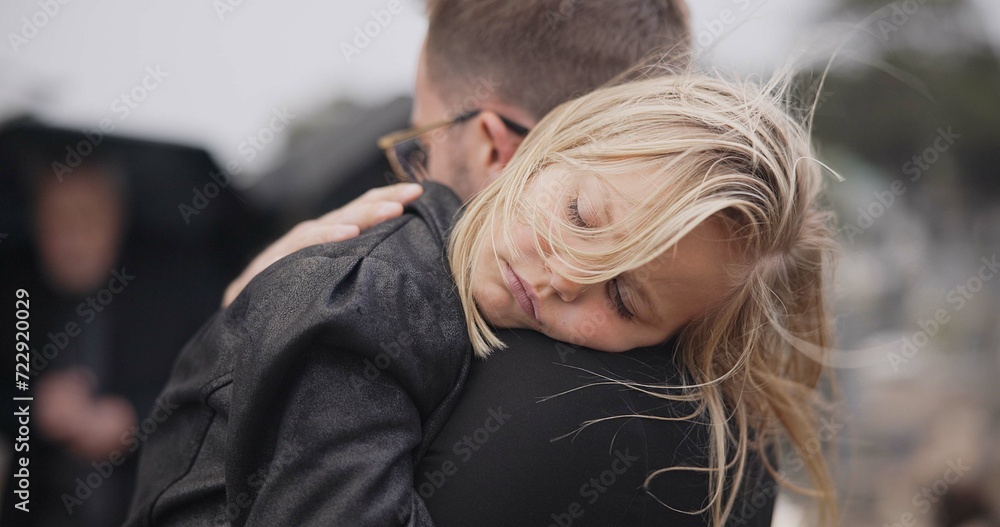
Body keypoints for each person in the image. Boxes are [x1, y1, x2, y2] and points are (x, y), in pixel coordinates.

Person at [126, 69, 839, 526]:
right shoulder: (366, 303)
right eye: (582, 217)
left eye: (623, 297)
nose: (565, 274)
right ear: (546, 147)